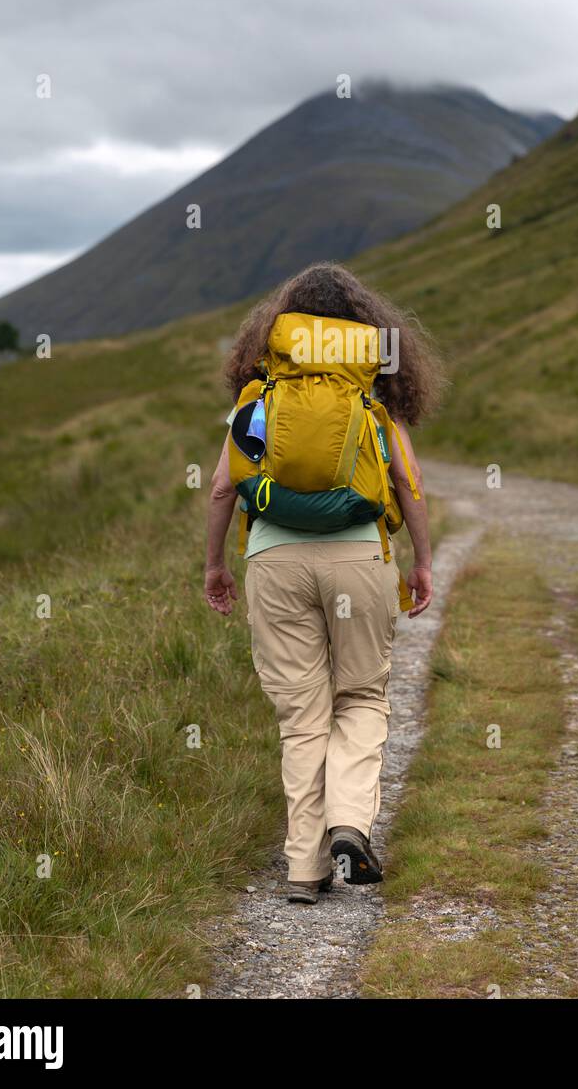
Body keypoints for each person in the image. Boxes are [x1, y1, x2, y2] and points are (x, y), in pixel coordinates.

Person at [204, 262, 443, 903]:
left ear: (278, 330)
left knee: (301, 718)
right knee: (361, 697)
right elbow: (409, 488)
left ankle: (303, 869)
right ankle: (349, 825)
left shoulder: (258, 401)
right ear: (366, 331)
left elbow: (225, 485)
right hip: (359, 560)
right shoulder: (372, 401)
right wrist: (421, 561)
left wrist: (215, 565)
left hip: (275, 564)